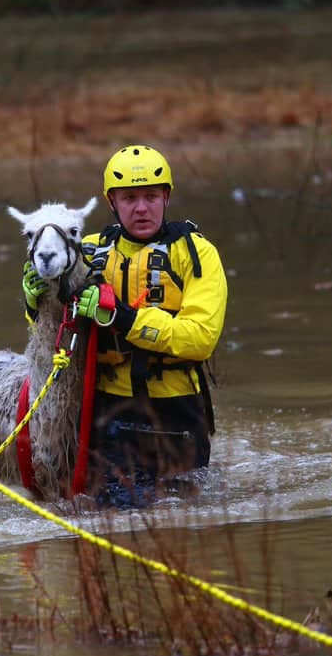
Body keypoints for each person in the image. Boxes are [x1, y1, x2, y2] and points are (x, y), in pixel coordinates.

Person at [22, 145, 227, 507]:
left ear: (166, 197)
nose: (142, 208)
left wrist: (124, 317)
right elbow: (57, 335)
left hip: (177, 414)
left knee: (182, 522)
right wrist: (36, 302)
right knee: (111, 517)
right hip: (108, 415)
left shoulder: (197, 253)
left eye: (151, 196)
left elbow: (201, 339)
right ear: (112, 202)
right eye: (129, 198)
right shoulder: (85, 251)